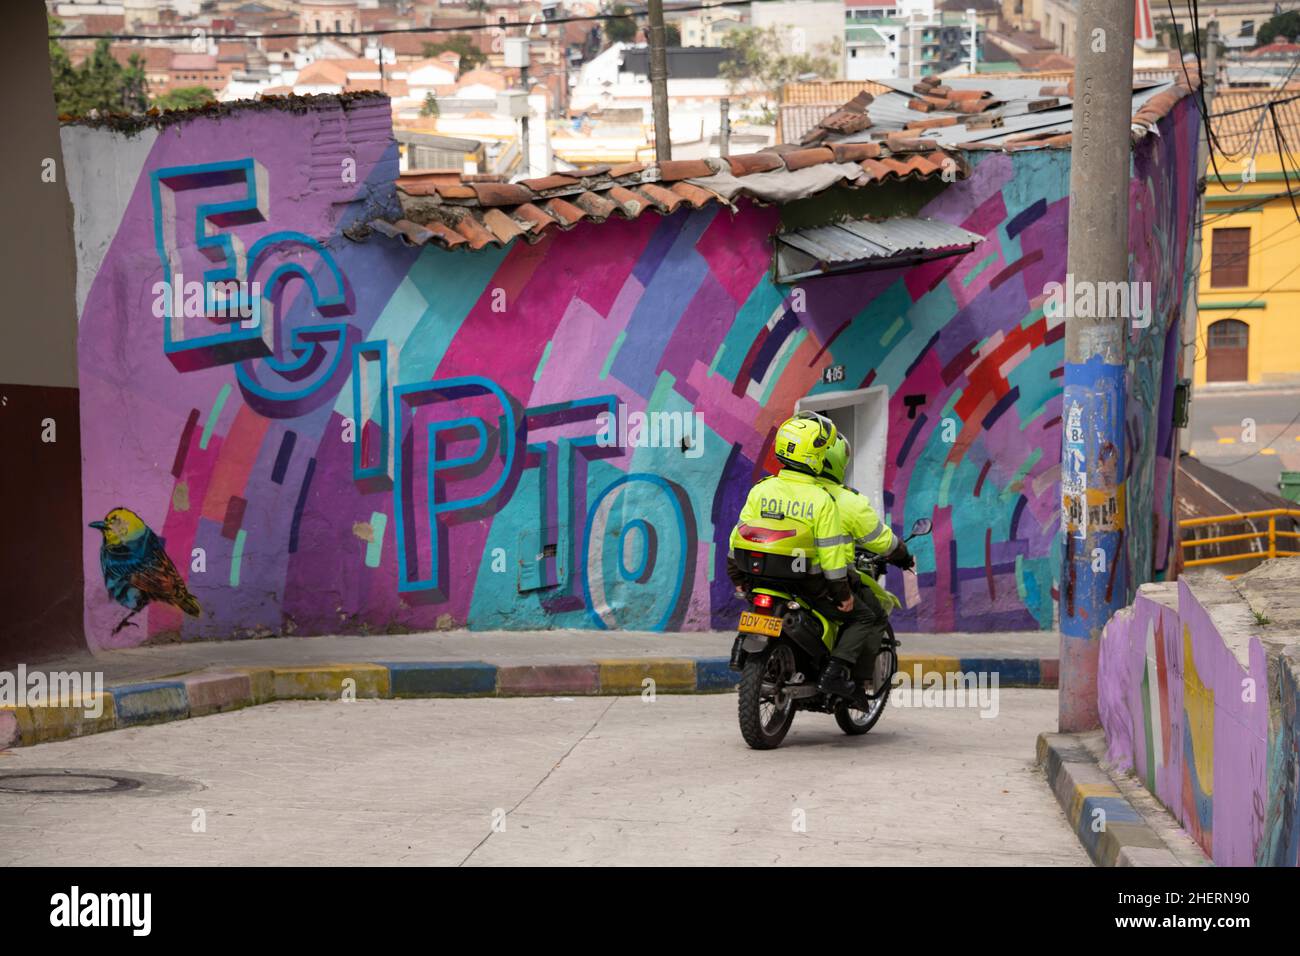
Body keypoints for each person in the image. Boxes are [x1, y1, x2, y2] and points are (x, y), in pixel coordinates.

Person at [726, 412, 877, 699]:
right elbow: (832, 556)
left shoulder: (762, 488)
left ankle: (741, 646)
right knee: (863, 618)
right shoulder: (822, 499)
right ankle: (834, 673)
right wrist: (842, 594)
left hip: (761, 578)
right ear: (814, 456)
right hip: (807, 586)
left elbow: (737, 537)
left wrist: (737, 577)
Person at [815, 432, 915, 690]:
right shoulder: (848, 500)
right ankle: (853, 679)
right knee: (871, 614)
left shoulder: (791, 490)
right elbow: (882, 541)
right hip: (829, 577)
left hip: (788, 572)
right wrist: (902, 555)